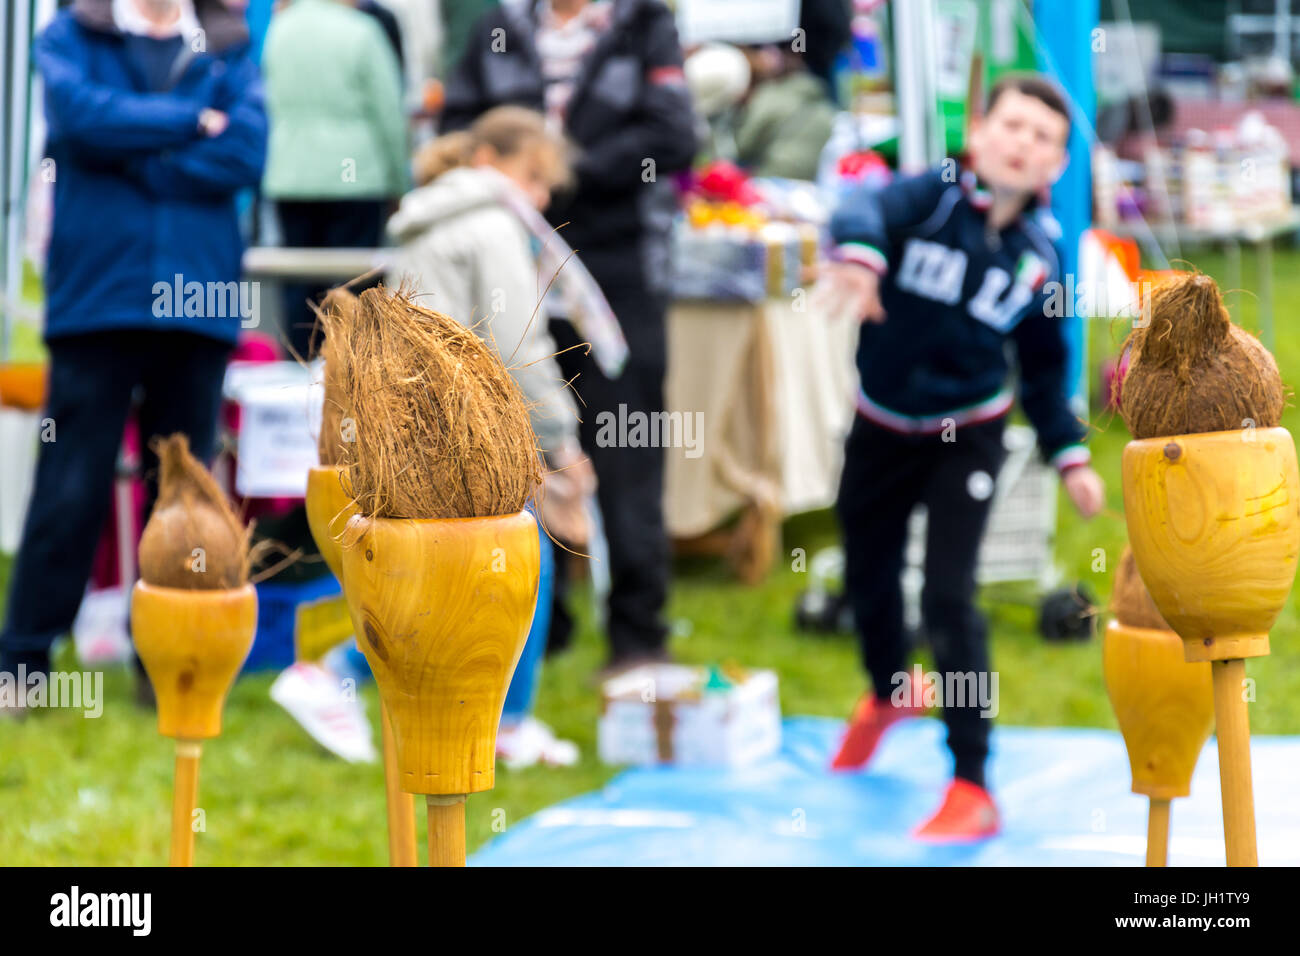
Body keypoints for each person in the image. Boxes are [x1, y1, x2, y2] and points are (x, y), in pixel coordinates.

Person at [815, 74, 1106, 840]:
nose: (1024, 142)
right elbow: (862, 206)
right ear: (978, 134)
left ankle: (973, 782)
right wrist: (860, 257)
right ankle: (888, 692)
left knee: (949, 598)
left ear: (1056, 166)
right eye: (1012, 125)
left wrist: (1070, 455)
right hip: (880, 423)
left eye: (1044, 137)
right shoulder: (931, 195)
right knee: (868, 574)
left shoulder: (1043, 259)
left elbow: (1045, 370)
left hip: (967, 434)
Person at [0, 0, 267, 708]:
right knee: (69, 486)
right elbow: (75, 118)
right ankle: (22, 668)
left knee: (183, 497)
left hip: (200, 304)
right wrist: (187, 123)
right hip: (99, 299)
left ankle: (171, 671)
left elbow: (245, 151)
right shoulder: (71, 32)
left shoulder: (229, 39)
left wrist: (129, 154)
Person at [441, 0, 697, 673]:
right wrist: (515, 190)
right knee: (513, 449)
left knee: (626, 448)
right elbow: (458, 129)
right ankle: (530, 634)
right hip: (511, 266)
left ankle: (638, 637)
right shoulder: (499, 25)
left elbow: (673, 138)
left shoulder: (645, 23)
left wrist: (553, 173)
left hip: (617, 272)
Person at [385, 106, 609, 764]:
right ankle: (507, 720)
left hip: (420, 414)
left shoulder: (437, 215)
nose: (540, 195)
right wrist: (562, 441)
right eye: (533, 175)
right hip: (465, 423)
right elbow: (519, 344)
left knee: (437, 573)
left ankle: (331, 667)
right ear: (488, 161)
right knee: (522, 557)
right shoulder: (490, 225)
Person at [260, 0, 407, 358]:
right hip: (357, 177)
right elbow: (389, 112)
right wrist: (399, 182)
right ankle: (358, 383)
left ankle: (297, 375)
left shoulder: (279, 29)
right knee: (357, 290)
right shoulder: (362, 31)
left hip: (290, 173)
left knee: (298, 289)